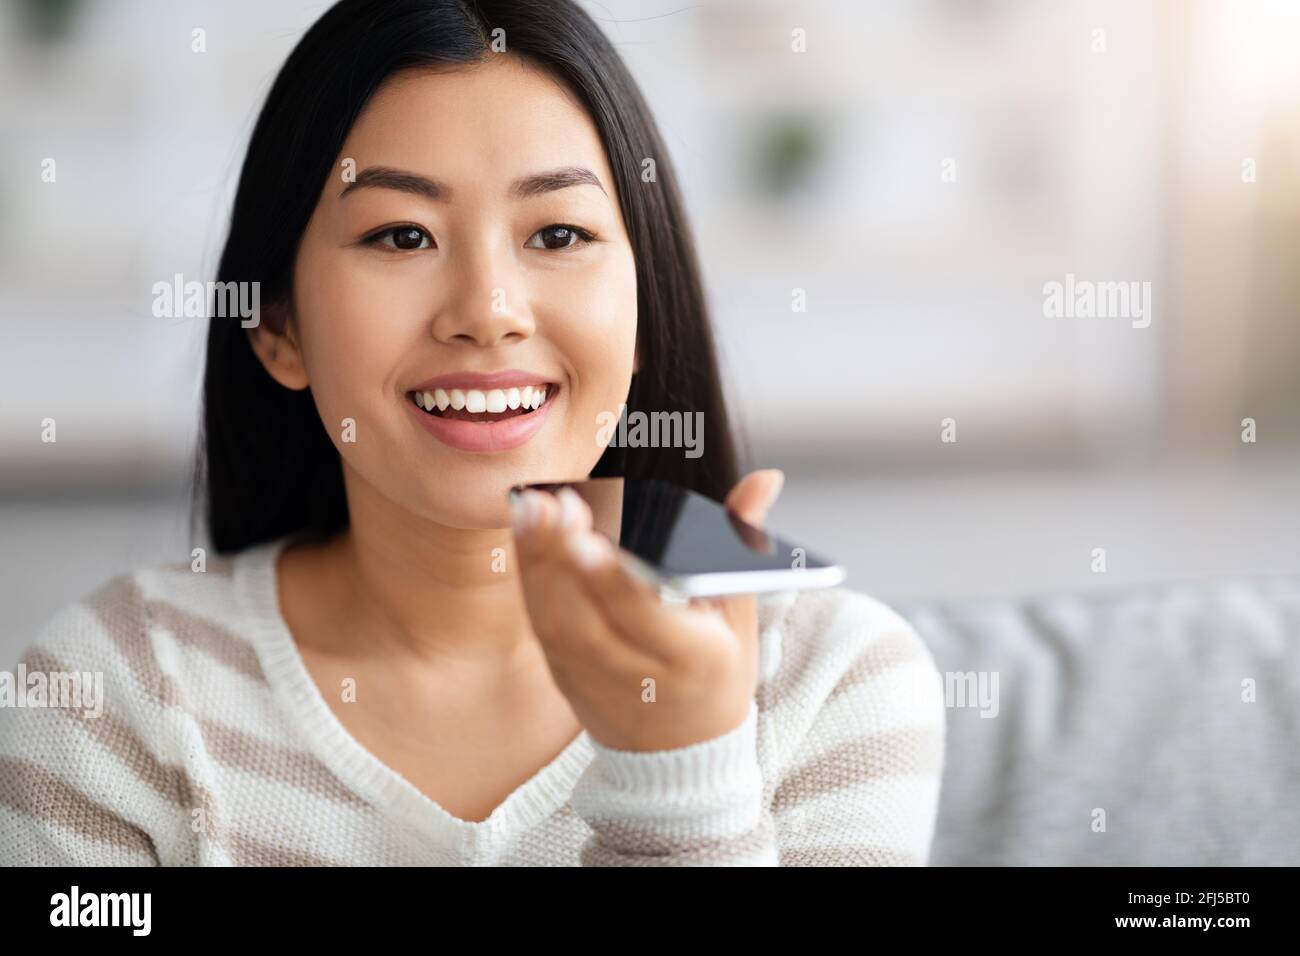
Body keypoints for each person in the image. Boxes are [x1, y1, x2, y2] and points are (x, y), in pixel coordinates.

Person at [0, 0, 945, 866]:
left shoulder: (830, 682)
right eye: (402, 236)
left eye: (559, 235)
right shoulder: (109, 698)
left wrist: (683, 775)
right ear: (277, 325)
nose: (487, 312)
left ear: (643, 311)